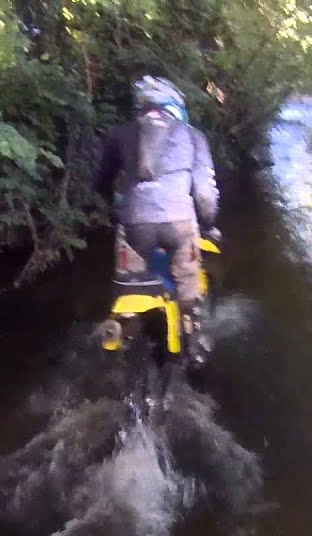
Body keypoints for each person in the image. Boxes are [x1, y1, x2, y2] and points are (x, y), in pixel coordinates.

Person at [94, 75, 219, 363]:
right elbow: (205, 195)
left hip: (134, 228)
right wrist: (209, 224)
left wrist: (115, 209)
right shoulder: (194, 136)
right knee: (188, 283)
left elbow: (101, 182)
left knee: (128, 281)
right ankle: (192, 337)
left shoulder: (120, 133)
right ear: (175, 106)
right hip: (179, 226)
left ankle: (122, 322)